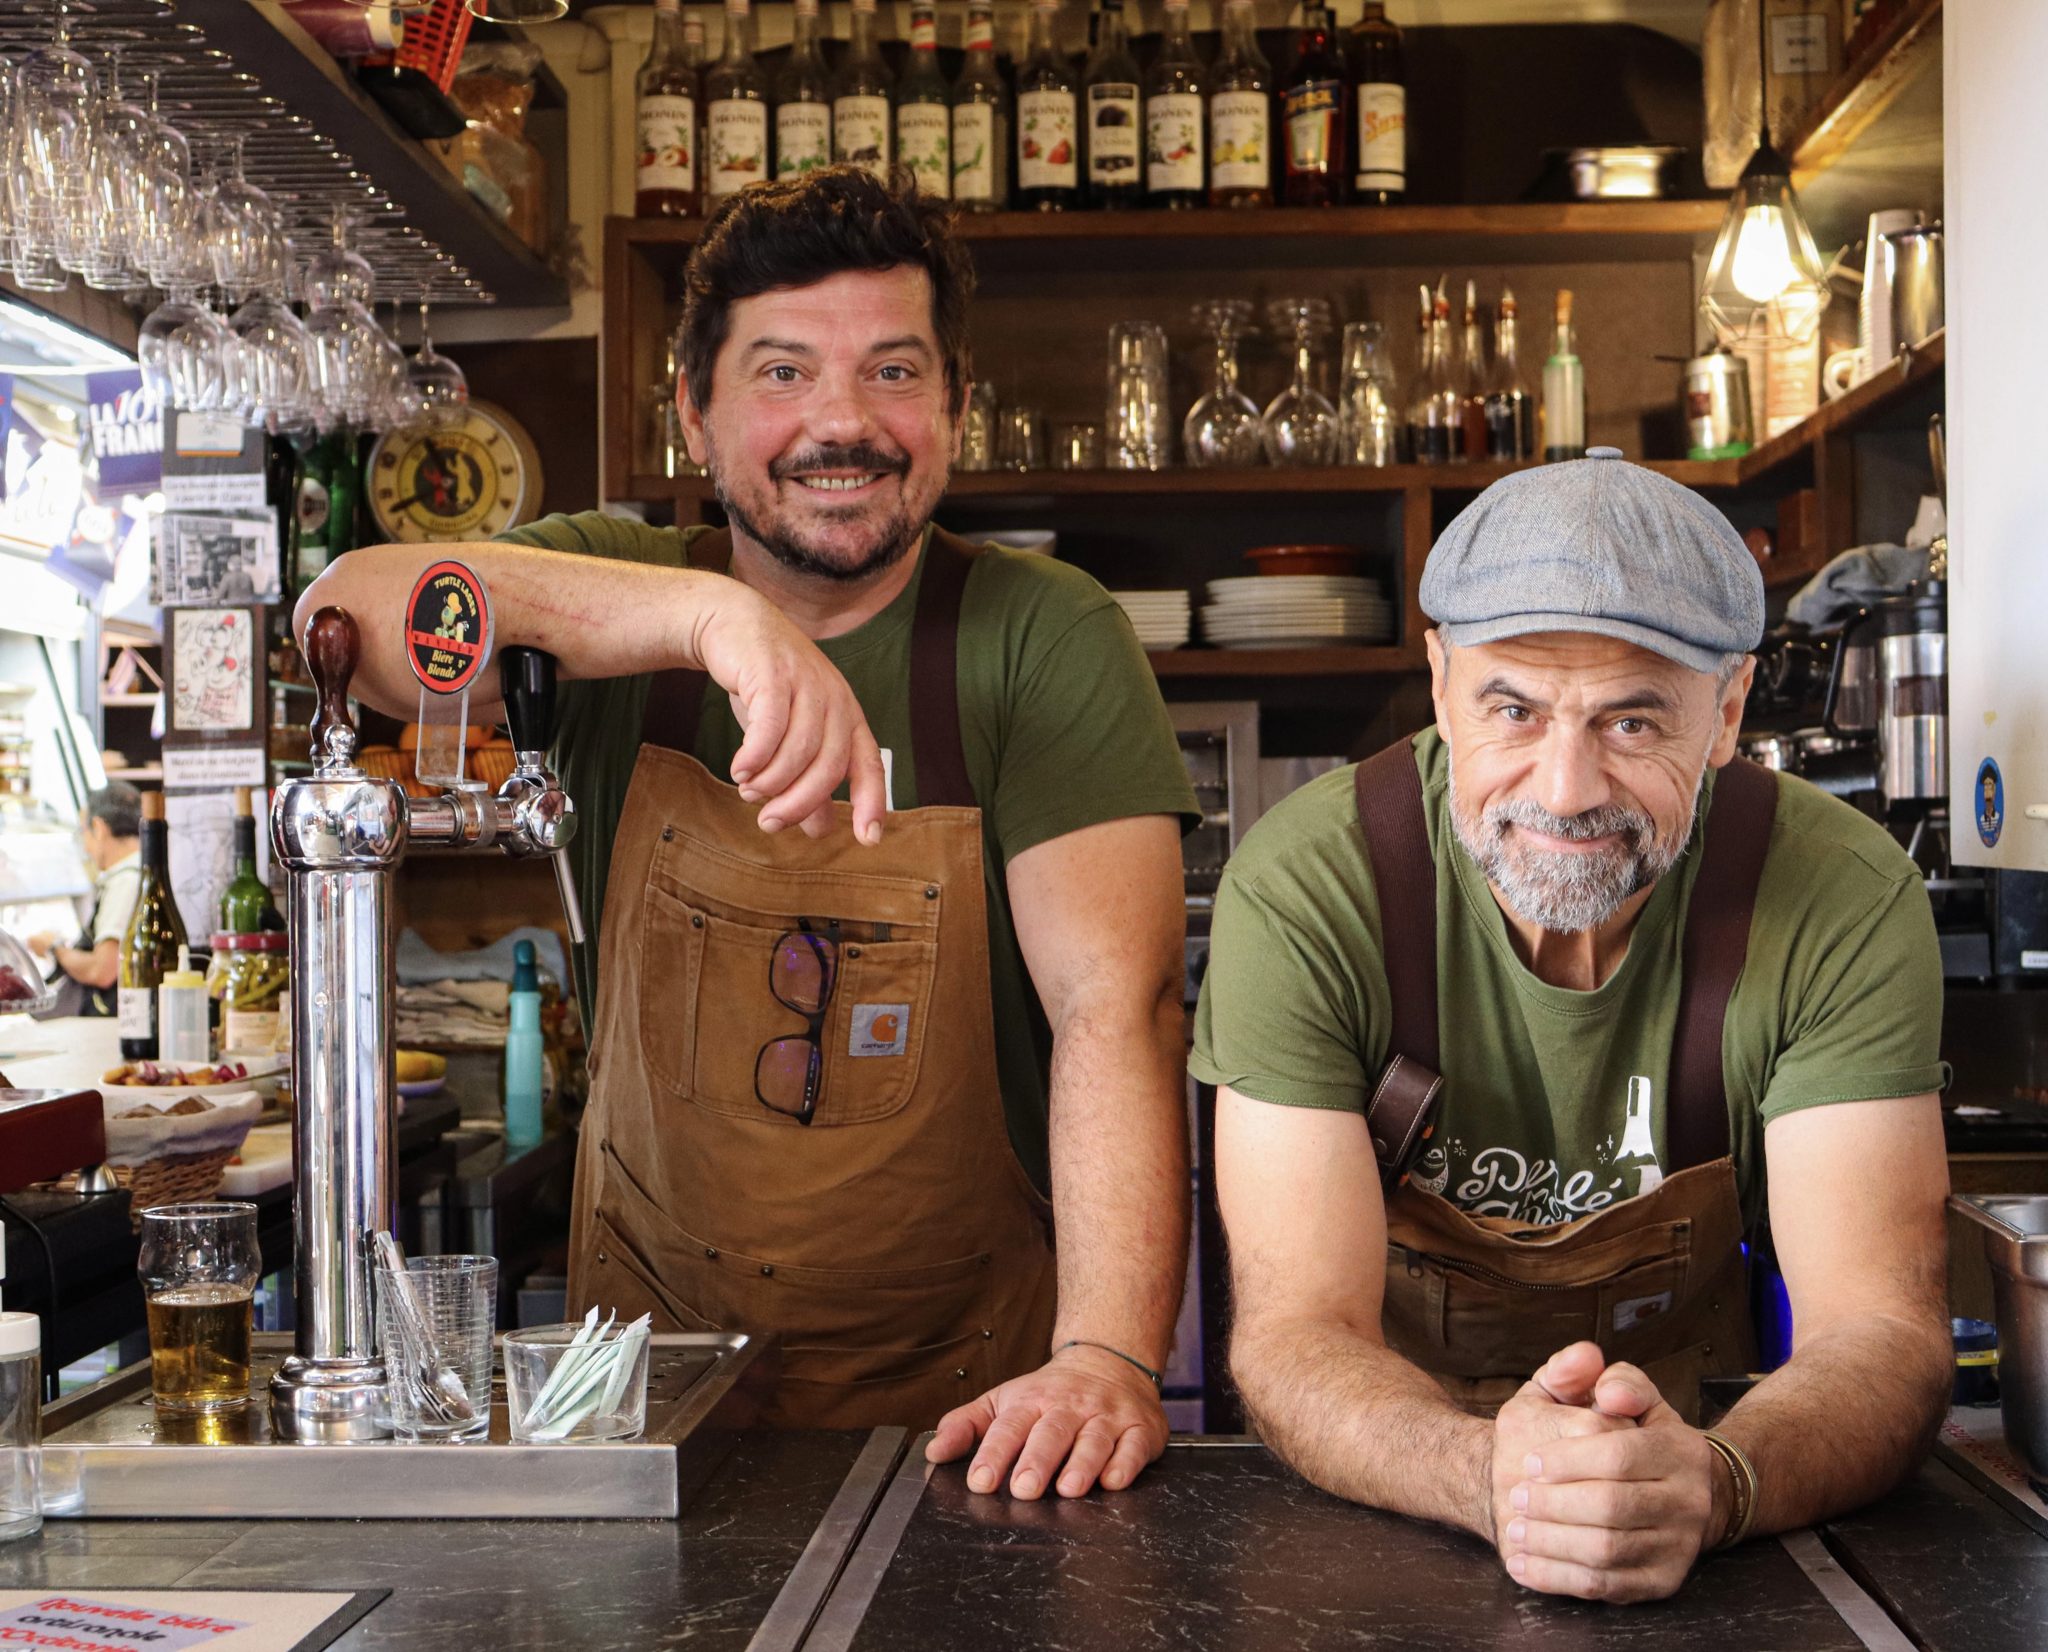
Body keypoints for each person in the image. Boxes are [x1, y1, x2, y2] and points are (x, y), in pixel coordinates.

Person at [301, 167, 1199, 1503]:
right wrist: (711, 622)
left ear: (953, 408)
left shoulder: (1038, 634)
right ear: (695, 415)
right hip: (642, 1406)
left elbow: (1114, 1012)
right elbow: (347, 617)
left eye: (894, 373)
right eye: (782, 374)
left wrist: (1110, 1355)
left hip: (981, 1428)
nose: (843, 423)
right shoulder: (613, 592)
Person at [1194, 449, 1951, 1603]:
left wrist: (1713, 1479)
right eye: (1511, 708)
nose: (1563, 788)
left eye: (1632, 719)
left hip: (1705, 1511)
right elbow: (1296, 1330)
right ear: (1441, 683)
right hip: (1379, 1520)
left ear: (1725, 711)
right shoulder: (1308, 887)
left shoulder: (1836, 892)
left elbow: (1879, 1331)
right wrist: (1492, 1473)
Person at [29, 782, 145, 1019]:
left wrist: (55, 948)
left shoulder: (125, 882)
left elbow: (103, 970)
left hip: (115, 1026)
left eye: (82, 832)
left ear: (99, 827)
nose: (86, 847)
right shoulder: (144, 872)